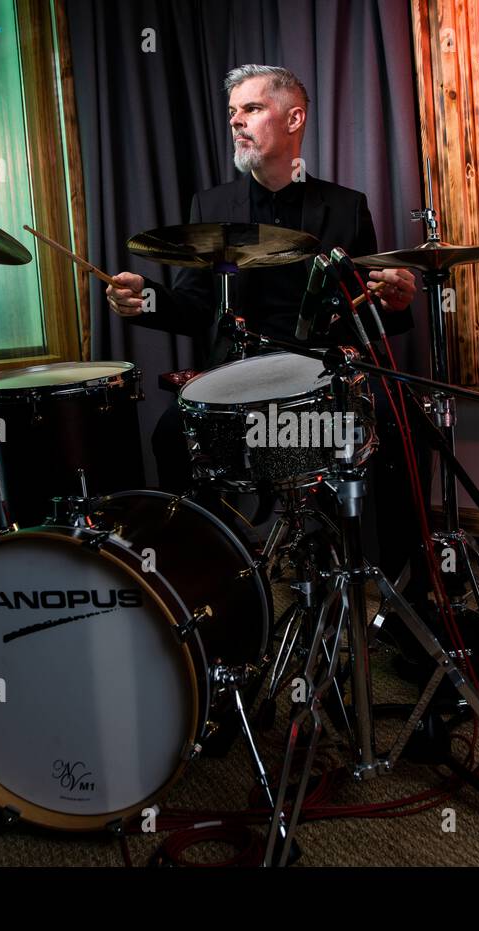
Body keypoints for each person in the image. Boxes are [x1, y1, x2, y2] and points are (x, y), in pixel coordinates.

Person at [105, 64, 422, 577]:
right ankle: (208, 583)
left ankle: (406, 592)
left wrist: (394, 301)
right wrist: (145, 301)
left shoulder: (345, 206)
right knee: (170, 433)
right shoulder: (212, 205)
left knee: (402, 420)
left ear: (294, 118)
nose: (236, 121)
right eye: (232, 112)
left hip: (324, 373)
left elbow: (367, 305)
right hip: (240, 372)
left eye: (251, 108)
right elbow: (194, 307)